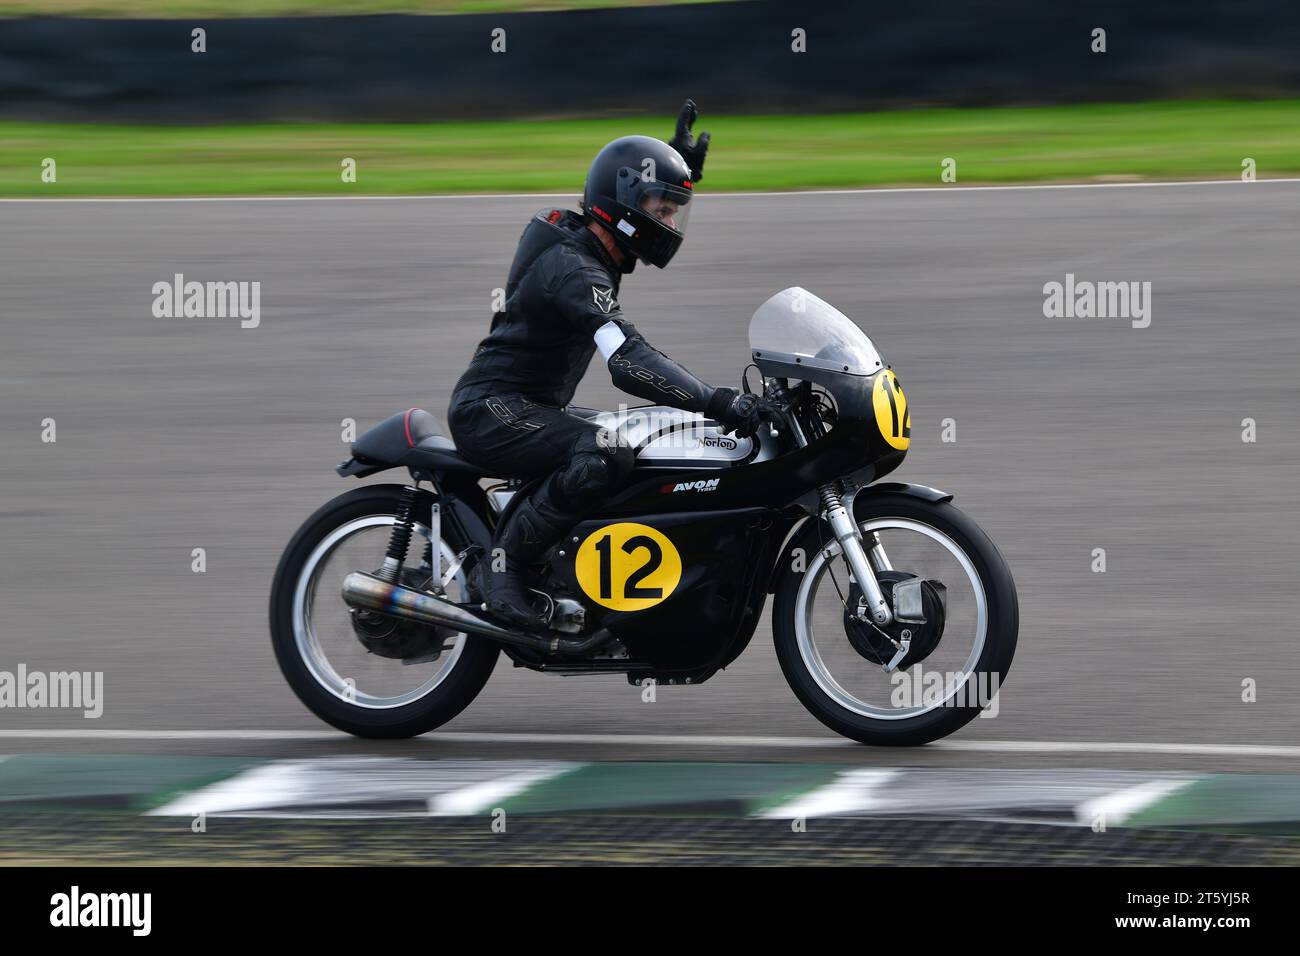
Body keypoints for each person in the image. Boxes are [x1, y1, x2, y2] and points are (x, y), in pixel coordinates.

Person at [448, 101, 774, 630]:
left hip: (531, 404)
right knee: (605, 452)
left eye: (674, 210)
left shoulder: (593, 247)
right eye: (662, 209)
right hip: (492, 411)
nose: (669, 223)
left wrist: (676, 172)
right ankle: (502, 574)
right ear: (623, 204)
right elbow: (627, 361)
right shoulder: (574, 268)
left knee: (645, 441)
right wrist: (720, 401)